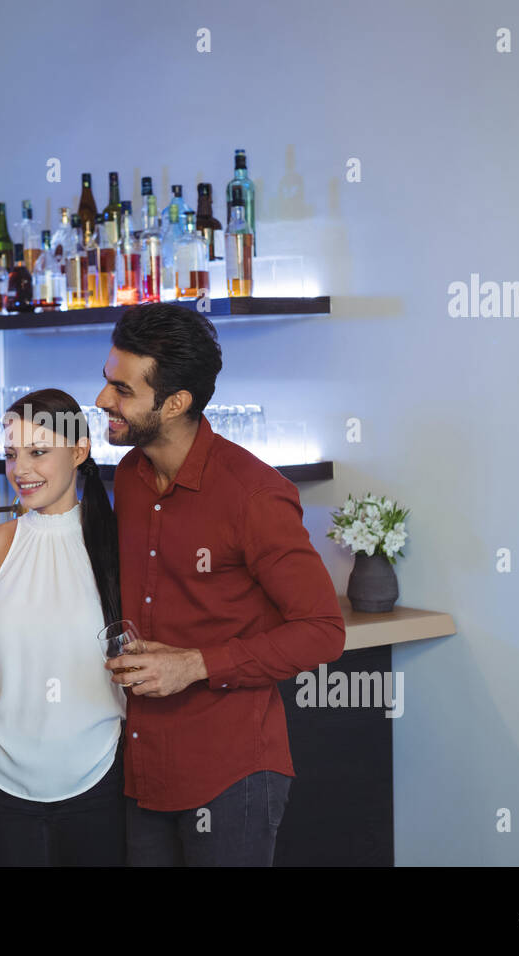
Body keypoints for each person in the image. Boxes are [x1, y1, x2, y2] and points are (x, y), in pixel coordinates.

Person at [95, 303, 346, 866]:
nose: (103, 400)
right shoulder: (130, 478)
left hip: (231, 772)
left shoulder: (254, 495)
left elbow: (323, 631)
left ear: (176, 403)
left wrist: (194, 664)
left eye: (122, 389)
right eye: (106, 381)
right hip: (142, 764)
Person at [0, 389, 126, 866]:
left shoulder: (118, 547)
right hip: (2, 778)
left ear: (79, 450)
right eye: (11, 455)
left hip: (99, 774)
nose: (20, 469)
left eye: (38, 452)